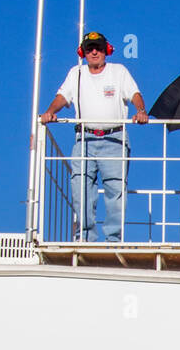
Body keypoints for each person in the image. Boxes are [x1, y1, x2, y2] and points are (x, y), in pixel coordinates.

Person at [40, 30, 148, 243]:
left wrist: (141, 111)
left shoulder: (118, 71)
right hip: (85, 139)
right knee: (81, 191)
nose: (94, 52)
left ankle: (113, 239)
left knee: (115, 191)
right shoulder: (76, 73)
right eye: (90, 49)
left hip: (114, 139)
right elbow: (62, 96)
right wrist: (50, 111)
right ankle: (85, 237)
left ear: (106, 50)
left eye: (98, 47)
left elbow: (134, 93)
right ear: (83, 52)